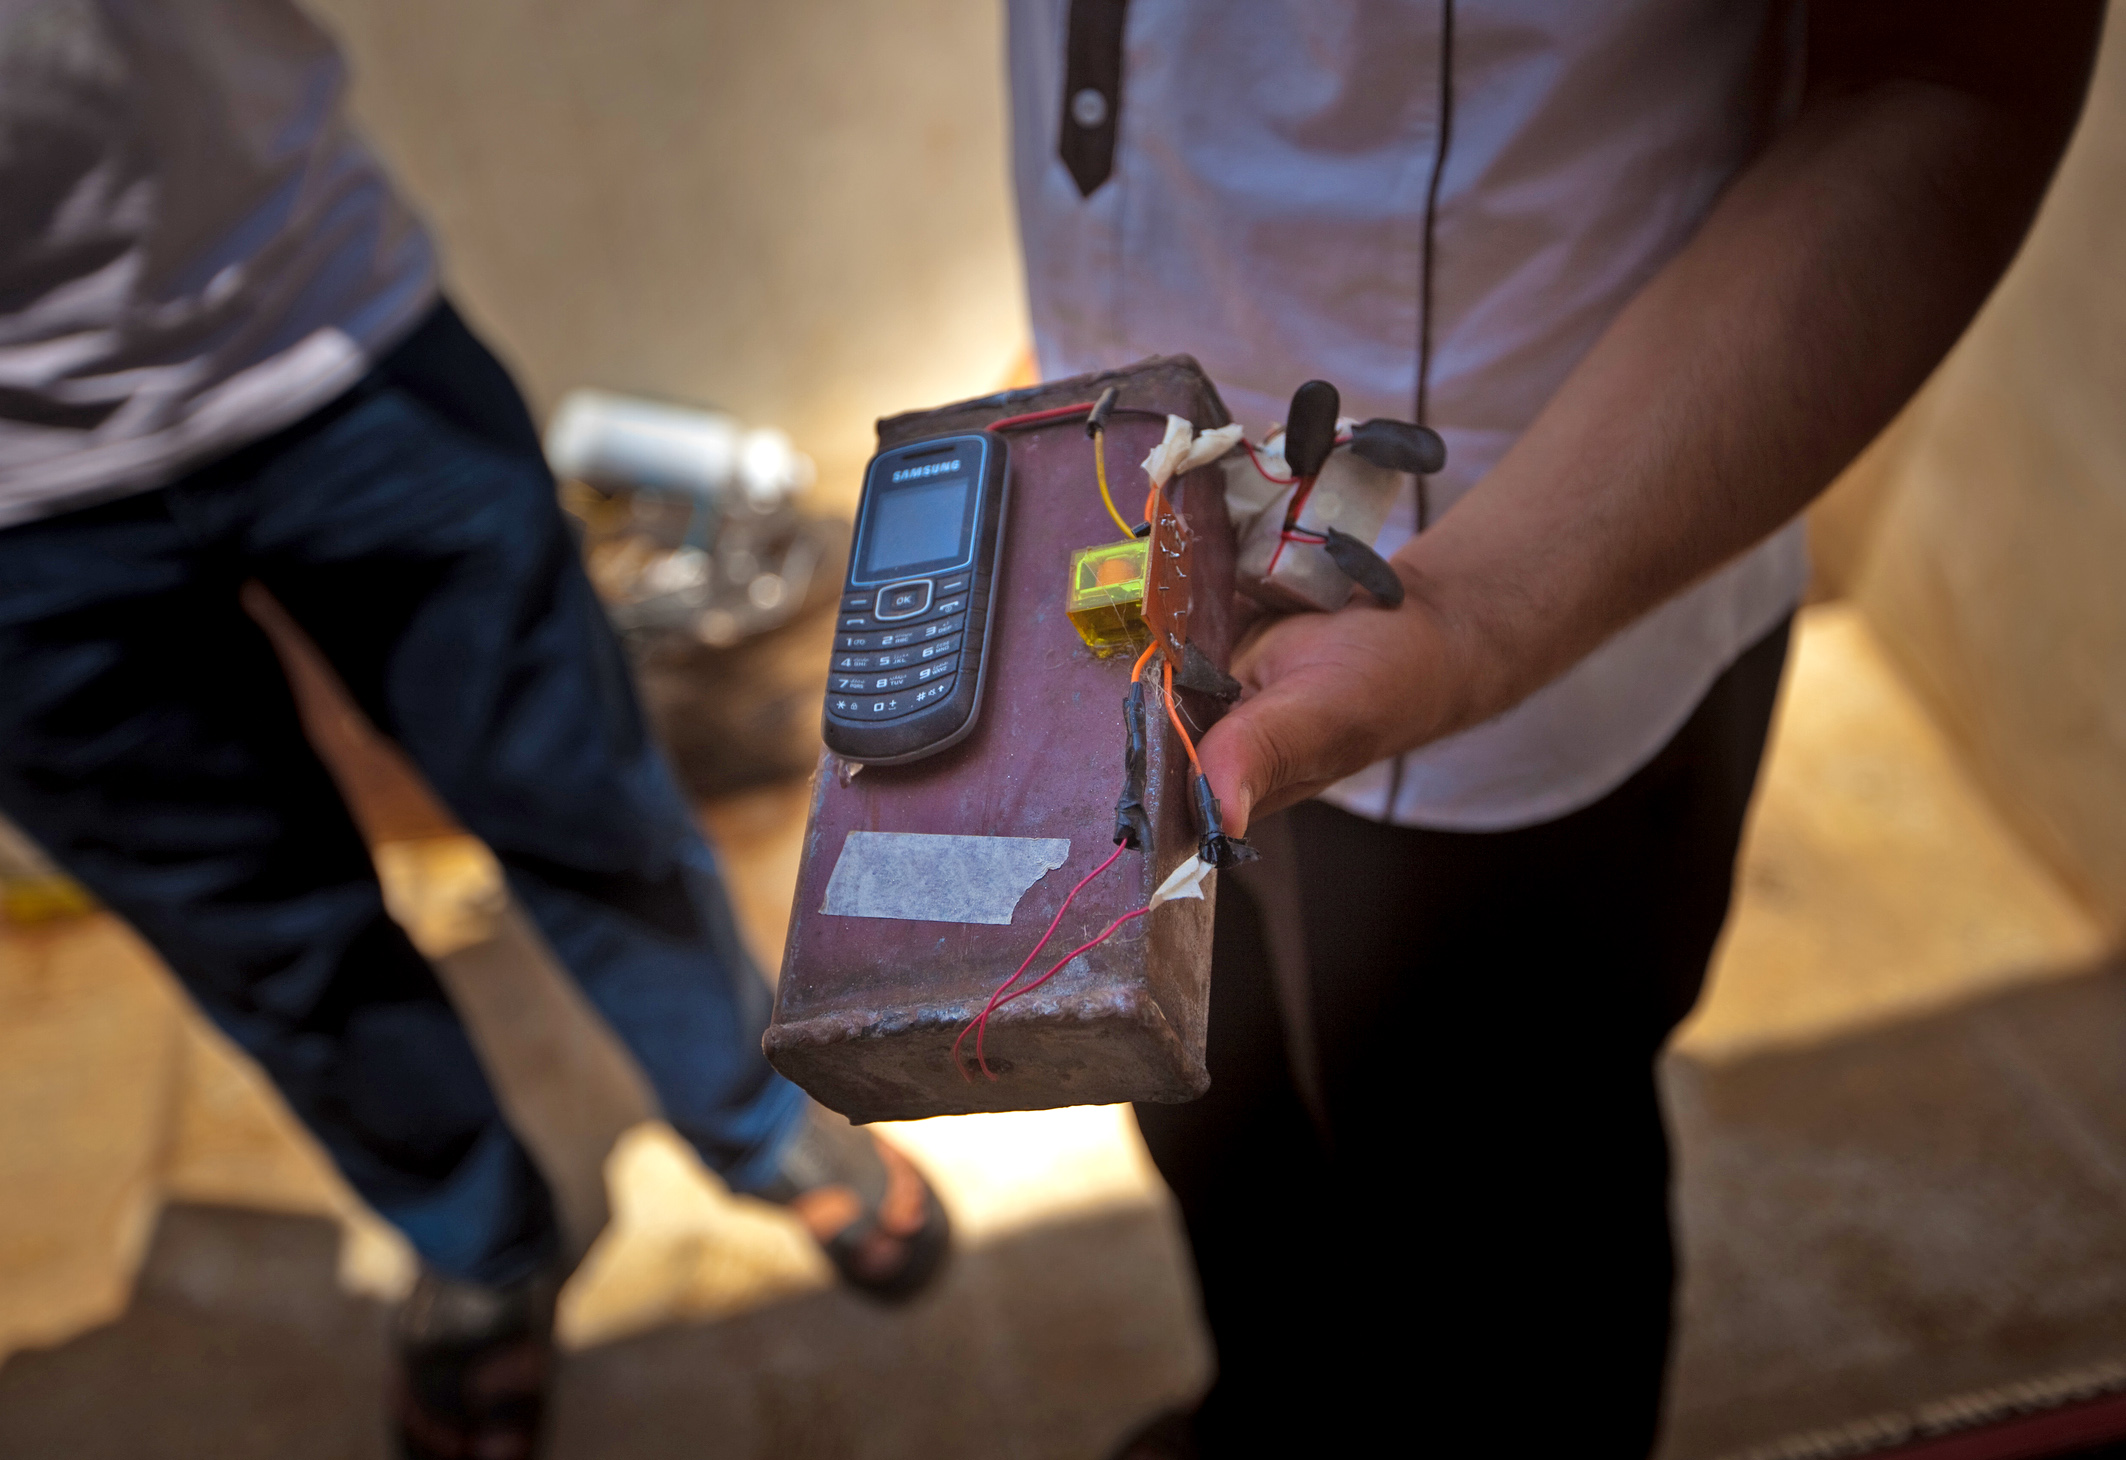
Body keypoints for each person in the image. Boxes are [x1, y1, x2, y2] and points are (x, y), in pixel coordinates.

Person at [1006, 1, 2104, 1453]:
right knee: (1212, 1104)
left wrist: (1480, 613)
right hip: (1135, 481)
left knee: (1497, 1222)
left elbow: (1948, 76)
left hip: (1533, 552)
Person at [0, 5, 947, 1457]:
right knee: (266, 940)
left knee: (582, 798)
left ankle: (750, 1111)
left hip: (326, 324)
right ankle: (474, 1240)